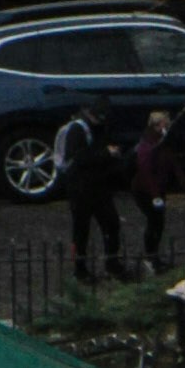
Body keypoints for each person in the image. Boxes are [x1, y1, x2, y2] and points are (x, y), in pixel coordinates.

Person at [49, 104, 125, 280]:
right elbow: (79, 158)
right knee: (81, 230)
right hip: (81, 189)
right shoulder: (78, 130)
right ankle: (80, 268)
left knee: (112, 224)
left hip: (100, 188)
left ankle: (112, 262)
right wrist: (106, 153)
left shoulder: (99, 127)